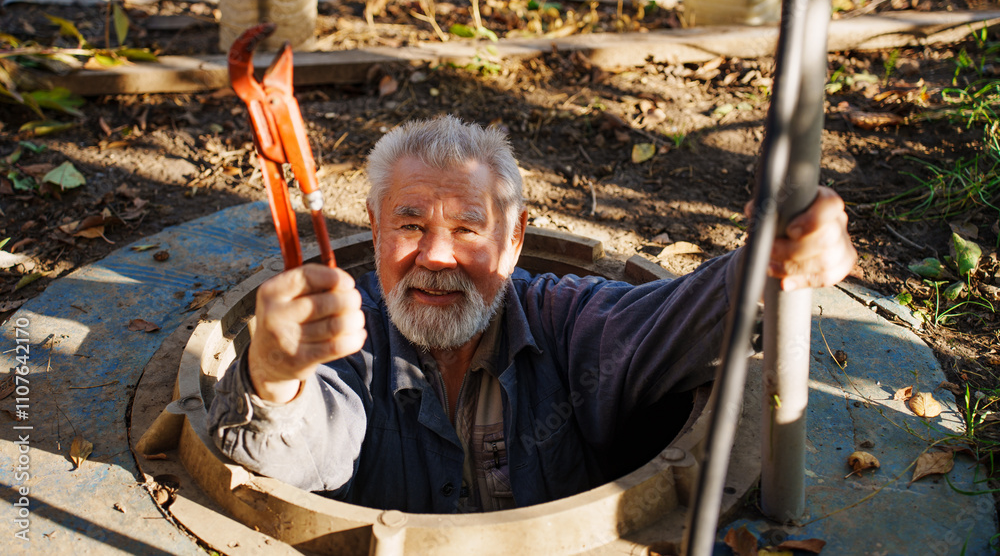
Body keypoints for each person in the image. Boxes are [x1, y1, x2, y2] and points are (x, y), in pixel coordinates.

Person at [208, 115, 856, 513]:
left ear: (515, 237)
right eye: (410, 224)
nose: (436, 257)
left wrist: (780, 255)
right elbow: (288, 459)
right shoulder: (344, 338)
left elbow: (690, 317)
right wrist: (271, 368)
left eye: (468, 228)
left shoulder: (567, 325)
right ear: (375, 229)